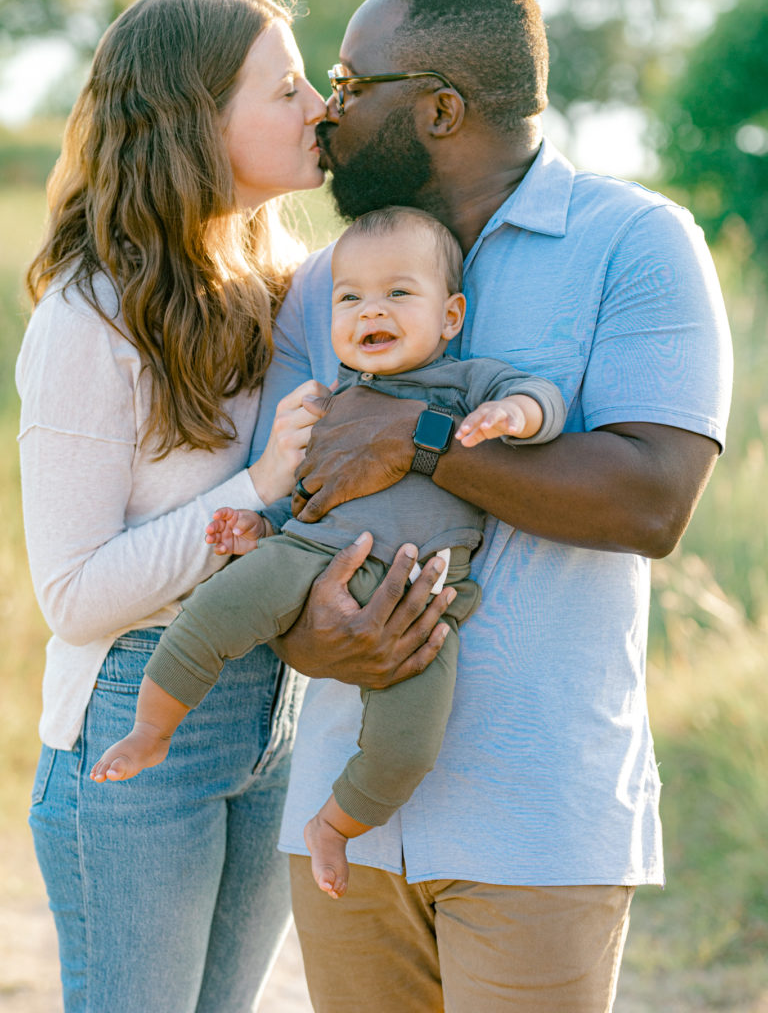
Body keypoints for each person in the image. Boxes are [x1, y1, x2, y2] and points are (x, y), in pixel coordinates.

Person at [243, 0, 733, 1012]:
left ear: (441, 108)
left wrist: (415, 439)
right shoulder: (323, 283)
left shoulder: (639, 244)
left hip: (538, 822)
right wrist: (298, 633)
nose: (328, 114)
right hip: (344, 820)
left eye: (349, 85)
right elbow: (274, 503)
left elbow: (652, 499)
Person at [89, 204, 566, 901]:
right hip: (312, 553)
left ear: (451, 316)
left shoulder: (468, 384)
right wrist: (262, 531)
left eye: (400, 293)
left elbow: (540, 393)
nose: (373, 310)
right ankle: (152, 729)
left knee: (409, 745)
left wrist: (515, 416)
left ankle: (335, 825)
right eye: (351, 298)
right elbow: (312, 496)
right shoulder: (331, 402)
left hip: (423, 605)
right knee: (215, 612)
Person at [15, 0, 335, 1013]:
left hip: (276, 703)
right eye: (286, 89)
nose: (316, 108)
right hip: (137, 714)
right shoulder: (87, 317)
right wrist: (259, 487)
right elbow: (72, 596)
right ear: (199, 119)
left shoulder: (288, 285)